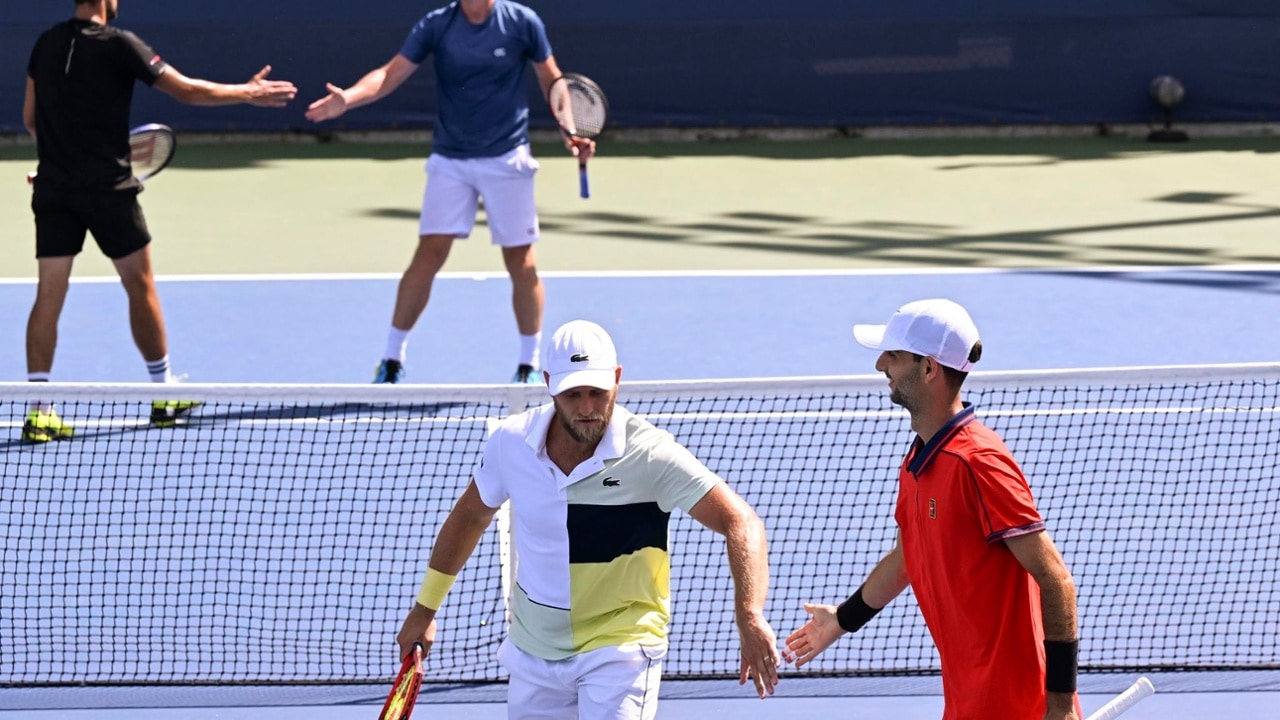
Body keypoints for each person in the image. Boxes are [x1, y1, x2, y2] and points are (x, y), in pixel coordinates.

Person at [395, 320, 780, 718]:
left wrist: (749, 616)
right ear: (548, 383)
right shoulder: (510, 444)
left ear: (617, 378)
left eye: (597, 392)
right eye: (572, 393)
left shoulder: (650, 454)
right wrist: (425, 610)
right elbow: (470, 516)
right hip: (533, 649)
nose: (586, 408)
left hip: (620, 645)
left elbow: (742, 522)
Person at [784, 299, 1082, 720]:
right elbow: (910, 556)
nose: (880, 365)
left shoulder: (979, 462)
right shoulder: (919, 460)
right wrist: (842, 619)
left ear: (928, 369)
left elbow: (1057, 581)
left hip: (1016, 705)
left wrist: (1060, 706)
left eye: (894, 355)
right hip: (967, 700)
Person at [21, 0, 297, 443]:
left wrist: (57, 160)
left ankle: (38, 409)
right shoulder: (121, 44)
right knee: (140, 284)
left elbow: (31, 120)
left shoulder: (45, 44)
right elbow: (186, 90)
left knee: (49, 293)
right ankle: (163, 392)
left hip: (54, 189)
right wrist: (248, 93)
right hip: (109, 192)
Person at [304, 0, 595, 386]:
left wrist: (569, 130)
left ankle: (528, 365)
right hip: (451, 161)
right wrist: (350, 98)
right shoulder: (437, 25)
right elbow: (390, 74)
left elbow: (552, 81)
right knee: (429, 253)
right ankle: (391, 359)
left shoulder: (522, 22)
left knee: (520, 261)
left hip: (507, 158)